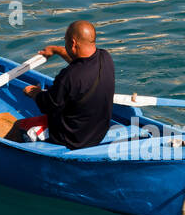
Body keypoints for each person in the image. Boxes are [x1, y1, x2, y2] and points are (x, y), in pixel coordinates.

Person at [10, 21, 114, 150]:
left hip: (72, 138)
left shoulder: (69, 76)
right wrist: (57, 50)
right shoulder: (105, 57)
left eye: (65, 41)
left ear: (73, 43)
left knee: (19, 126)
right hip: (98, 132)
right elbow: (80, 62)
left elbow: (47, 105)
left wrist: (34, 92)